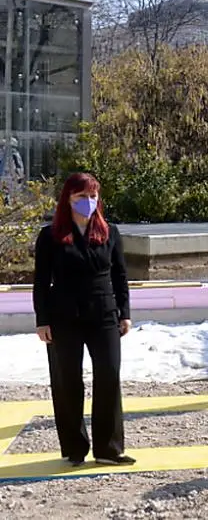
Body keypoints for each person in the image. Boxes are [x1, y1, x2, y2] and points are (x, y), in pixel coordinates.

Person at [32, 173, 135, 468]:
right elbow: (40, 282)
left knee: (108, 374)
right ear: (68, 199)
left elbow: (120, 276)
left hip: (103, 314)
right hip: (63, 317)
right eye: (80, 197)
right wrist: (42, 320)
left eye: (92, 196)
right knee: (67, 381)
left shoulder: (110, 232)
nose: (88, 203)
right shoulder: (50, 236)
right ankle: (74, 447)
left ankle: (109, 448)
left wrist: (124, 312)